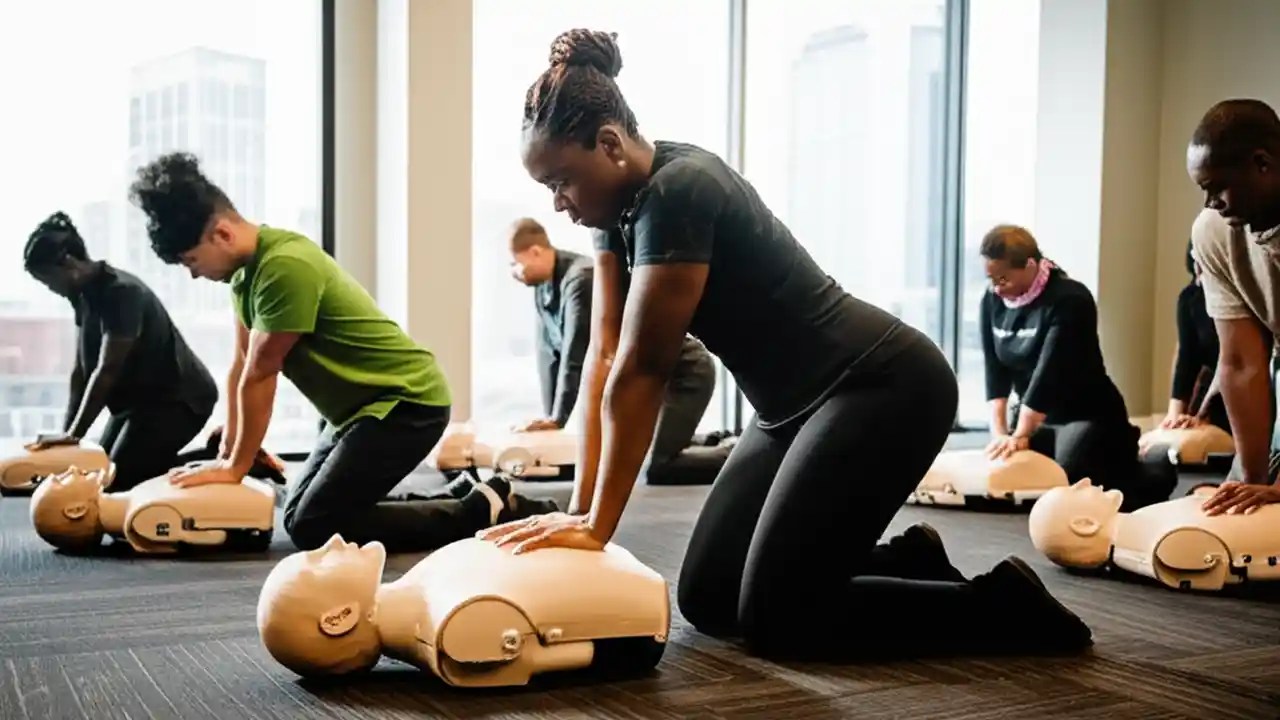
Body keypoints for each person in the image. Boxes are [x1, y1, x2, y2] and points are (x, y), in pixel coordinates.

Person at [479, 28, 1092, 661]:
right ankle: (909, 559)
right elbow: (606, 359)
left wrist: (596, 528)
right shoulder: (616, 212)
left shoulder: (679, 190)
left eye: (562, 181)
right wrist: (578, 511)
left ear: (607, 145)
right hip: (785, 411)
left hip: (880, 385)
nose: (559, 205)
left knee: (782, 619)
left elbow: (643, 371)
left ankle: (1003, 604)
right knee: (710, 598)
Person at [127, 152, 556, 552]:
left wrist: (236, 467)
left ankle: (478, 512)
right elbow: (241, 367)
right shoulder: (243, 277)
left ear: (221, 233)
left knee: (312, 525)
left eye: (191, 261)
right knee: (297, 509)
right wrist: (227, 457)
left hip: (406, 406)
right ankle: (463, 494)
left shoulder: (283, 267)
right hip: (360, 413)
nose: (195, 275)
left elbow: (261, 372)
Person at [506, 216, 730, 485]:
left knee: (658, 467)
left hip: (683, 373)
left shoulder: (581, 280)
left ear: (535, 252)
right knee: (642, 453)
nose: (514, 272)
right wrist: (550, 418)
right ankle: (712, 440)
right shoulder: (543, 289)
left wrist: (558, 418)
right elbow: (549, 354)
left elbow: (576, 353)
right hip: (648, 376)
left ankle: (737, 453)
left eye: (515, 263)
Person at [979, 224, 1174, 511]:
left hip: (1087, 415)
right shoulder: (992, 299)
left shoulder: (1070, 299)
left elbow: (1049, 371)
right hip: (1038, 419)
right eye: (991, 279)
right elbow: (994, 369)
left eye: (1004, 278)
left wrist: (1021, 434)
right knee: (1016, 476)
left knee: (1073, 484)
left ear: (1030, 265)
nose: (997, 287)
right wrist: (1001, 434)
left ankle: (1154, 463)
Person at [22, 211, 217, 491]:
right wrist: (68, 435)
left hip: (179, 400)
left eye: (48, 280)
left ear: (68, 264)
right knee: (100, 471)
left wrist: (76, 433)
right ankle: (212, 458)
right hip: (138, 404)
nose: (51, 288)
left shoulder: (121, 293)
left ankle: (219, 458)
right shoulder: (82, 294)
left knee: (118, 481)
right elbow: (82, 368)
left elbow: (107, 370)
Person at [1185, 97, 1280, 515]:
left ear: (1262, 163)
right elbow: (1241, 361)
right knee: (1243, 503)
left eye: (1216, 187)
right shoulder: (1213, 232)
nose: (1211, 204)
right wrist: (1253, 479)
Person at [1158, 239, 1233, 433]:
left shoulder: (1243, 300)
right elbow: (1186, 360)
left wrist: (1205, 419)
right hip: (1208, 398)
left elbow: (1239, 365)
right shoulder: (1191, 299)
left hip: (1240, 398)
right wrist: (1174, 415)